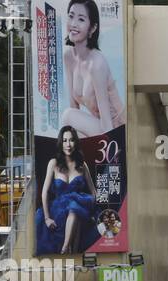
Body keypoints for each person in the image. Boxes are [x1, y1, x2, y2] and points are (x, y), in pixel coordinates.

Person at [61, 0, 126, 137]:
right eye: (71, 16)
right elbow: (74, 107)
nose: (73, 24)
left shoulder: (97, 64)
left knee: (68, 116)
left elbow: (107, 124)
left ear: (92, 28)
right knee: (70, 133)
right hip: (98, 125)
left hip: (117, 128)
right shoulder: (68, 56)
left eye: (81, 19)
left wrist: (112, 153)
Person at [35, 125, 98, 255]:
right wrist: (47, 218)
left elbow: (93, 191)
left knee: (75, 209)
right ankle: (69, 251)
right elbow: (45, 192)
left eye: (71, 140)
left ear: (76, 142)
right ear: (60, 143)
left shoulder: (82, 165)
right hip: (58, 210)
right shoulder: (53, 163)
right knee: (74, 210)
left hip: (78, 207)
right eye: (64, 141)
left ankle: (65, 248)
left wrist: (91, 211)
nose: (68, 145)